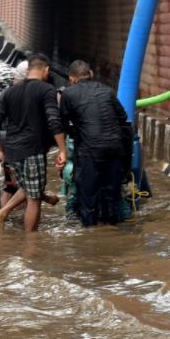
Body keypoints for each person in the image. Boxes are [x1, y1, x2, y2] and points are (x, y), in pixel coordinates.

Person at [0, 54, 68, 232]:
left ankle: (2, 213)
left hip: (12, 150)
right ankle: (30, 243)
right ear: (45, 69)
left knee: (27, 187)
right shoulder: (47, 90)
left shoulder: (9, 92)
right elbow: (54, 121)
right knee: (34, 198)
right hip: (32, 150)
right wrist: (63, 150)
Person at [59, 60, 131, 227]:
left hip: (90, 152)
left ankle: (90, 236)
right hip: (115, 149)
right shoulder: (107, 91)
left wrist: (62, 151)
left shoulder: (68, 94)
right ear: (90, 74)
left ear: (71, 79)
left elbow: (61, 124)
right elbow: (123, 119)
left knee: (88, 199)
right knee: (112, 196)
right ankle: (112, 230)